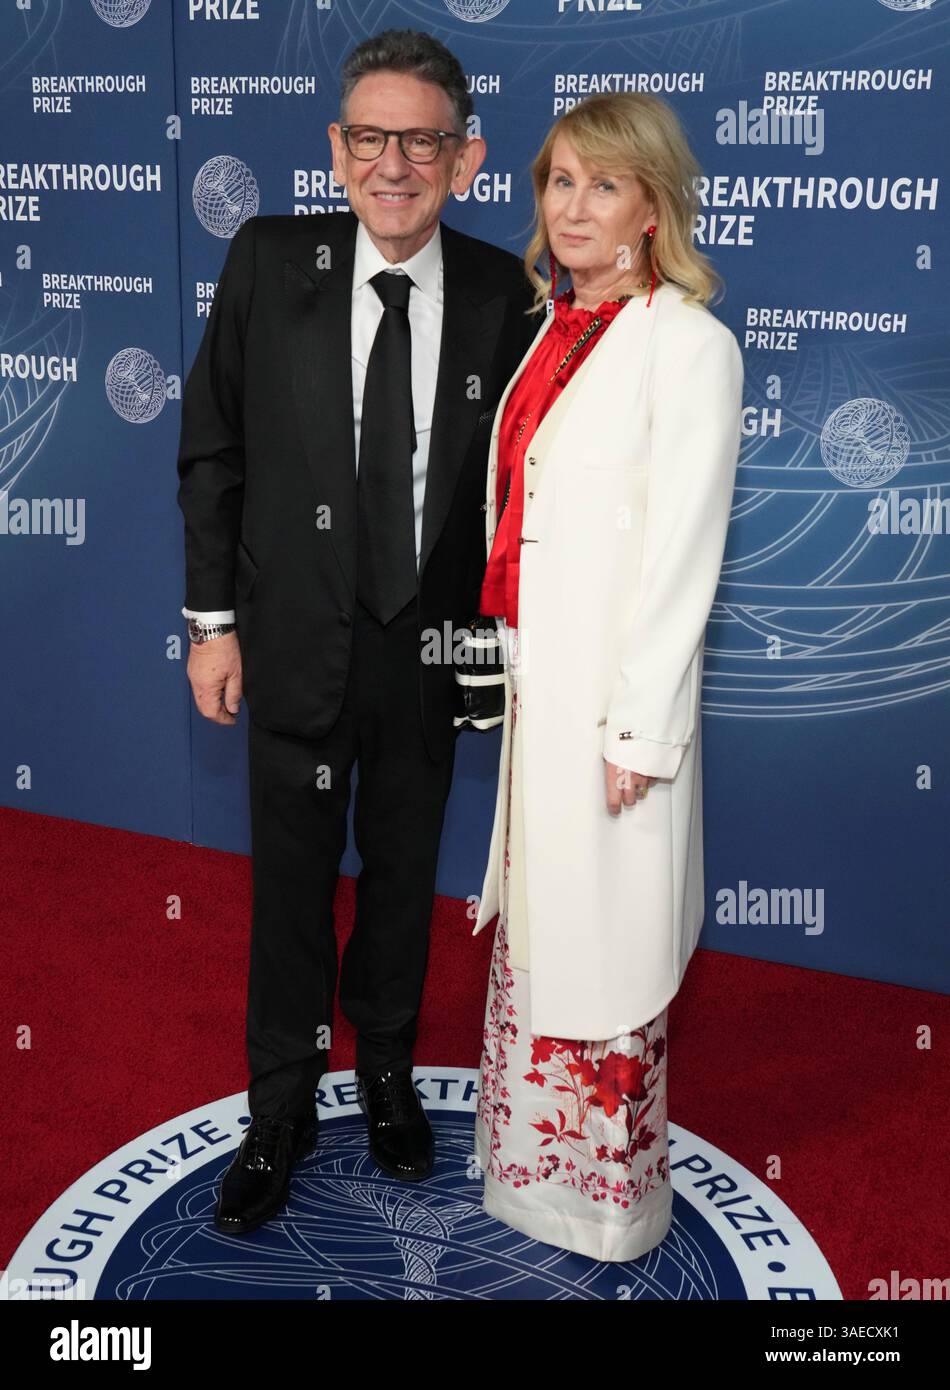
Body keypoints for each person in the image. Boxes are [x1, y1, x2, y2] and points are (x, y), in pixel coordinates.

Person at [176, 28, 540, 1235]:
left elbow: (527, 487)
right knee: (288, 886)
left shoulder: (504, 294)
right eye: (371, 138)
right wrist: (212, 622)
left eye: (422, 140)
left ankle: (386, 1071)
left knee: (399, 874)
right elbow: (213, 450)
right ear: (336, 151)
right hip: (287, 639)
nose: (396, 164)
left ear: (465, 157)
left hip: (429, 651)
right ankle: (277, 1106)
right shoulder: (266, 258)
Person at [471, 93, 744, 1262]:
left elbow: (683, 558)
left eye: (602, 185)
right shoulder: (553, 324)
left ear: (651, 208)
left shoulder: (688, 345)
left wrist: (637, 731)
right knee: (543, 929)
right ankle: (525, 1175)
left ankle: (602, 1207)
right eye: (556, 181)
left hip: (613, 712)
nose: (571, 207)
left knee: (606, 941)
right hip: (542, 689)